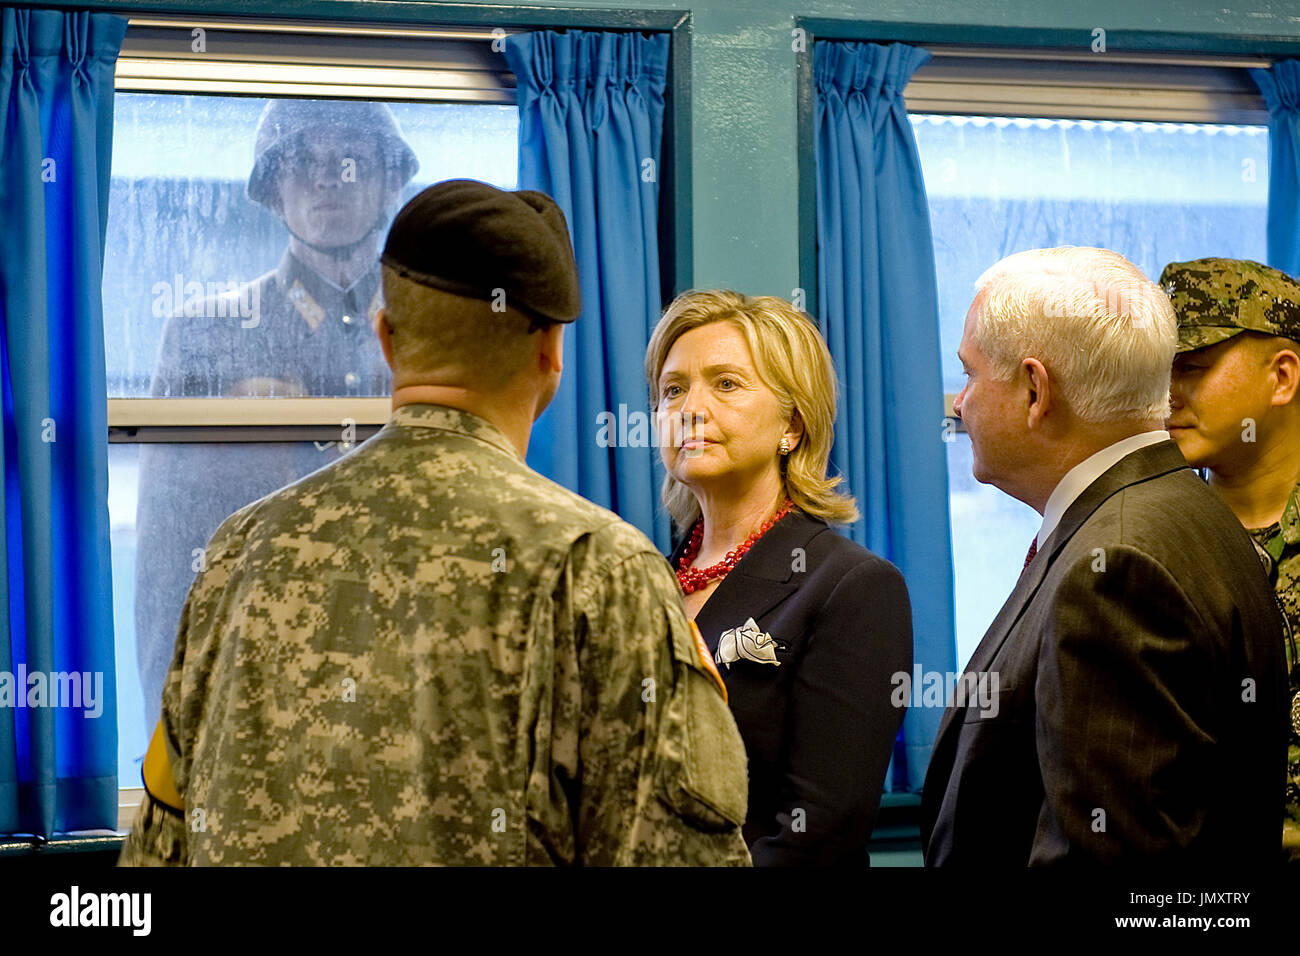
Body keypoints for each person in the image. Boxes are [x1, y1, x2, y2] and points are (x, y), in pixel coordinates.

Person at [118, 180, 751, 866]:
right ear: (552, 355)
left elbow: (157, 852)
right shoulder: (598, 568)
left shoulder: (237, 553)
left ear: (385, 337)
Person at [921, 246, 1288, 866]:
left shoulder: (1119, 562)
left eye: (971, 374)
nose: (960, 403)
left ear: (1036, 391)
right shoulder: (1173, 510)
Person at [134, 99, 418, 733]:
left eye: (353, 160)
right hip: (254, 687)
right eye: (303, 162)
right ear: (273, 189)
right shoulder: (205, 332)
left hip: (407, 680)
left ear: (388, 181)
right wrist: (171, 725)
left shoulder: (430, 331)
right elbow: (164, 558)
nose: (328, 178)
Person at [645, 290, 913, 866]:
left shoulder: (855, 586)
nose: (689, 407)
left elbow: (820, 833)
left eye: (726, 384)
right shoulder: (644, 582)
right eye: (673, 389)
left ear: (791, 423)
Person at [1161, 256, 1300, 862]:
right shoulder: (1150, 541)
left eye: (1191, 367)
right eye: (1157, 370)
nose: (1166, 395)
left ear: (1282, 378)